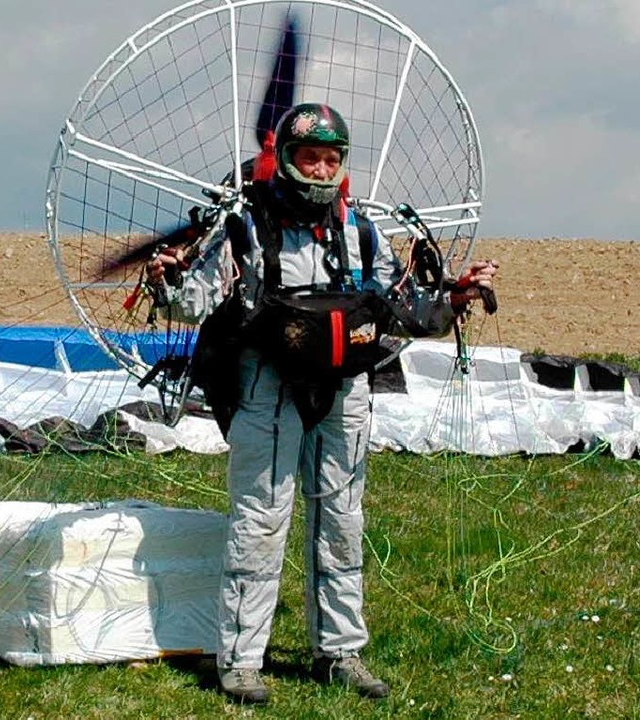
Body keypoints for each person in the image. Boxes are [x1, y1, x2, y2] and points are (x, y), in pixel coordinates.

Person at [147, 103, 497, 704]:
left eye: (331, 158)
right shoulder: (246, 228)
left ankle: (339, 653)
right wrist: (167, 279)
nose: (320, 168)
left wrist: (455, 295)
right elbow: (191, 301)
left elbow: (407, 306)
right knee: (260, 520)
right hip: (268, 389)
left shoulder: (362, 233)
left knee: (341, 522)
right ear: (283, 160)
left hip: (345, 392)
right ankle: (241, 661)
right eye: (309, 156)